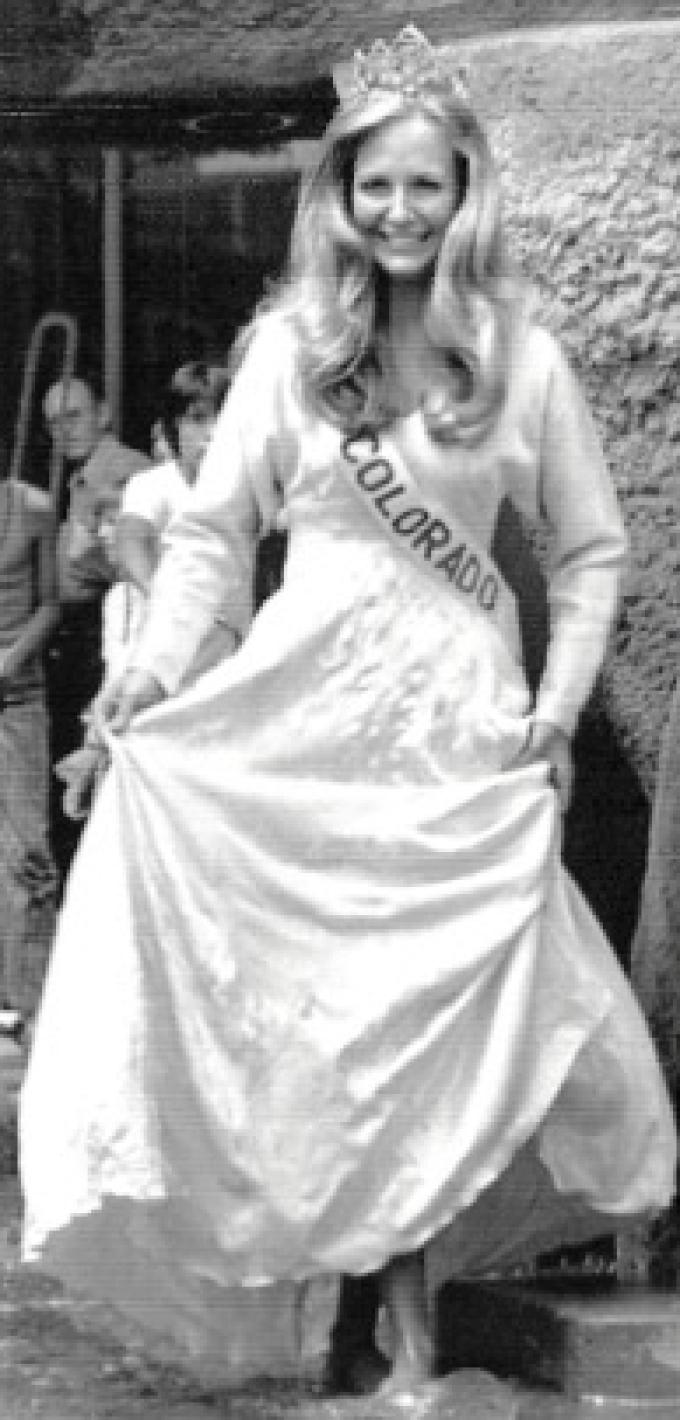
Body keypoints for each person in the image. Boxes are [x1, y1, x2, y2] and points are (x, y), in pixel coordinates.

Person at [20, 25, 676, 1396]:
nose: (397, 210)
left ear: (464, 195)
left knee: (427, 1028)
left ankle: (408, 1326)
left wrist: (555, 713)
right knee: (313, 1017)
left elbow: (593, 552)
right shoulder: (286, 352)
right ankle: (339, 1298)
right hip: (304, 714)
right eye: (373, 186)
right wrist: (145, 677)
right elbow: (210, 536)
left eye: (425, 186)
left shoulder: (521, 361)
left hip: (454, 724)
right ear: (338, 195)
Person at [55, 362, 233, 820]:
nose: (210, 433)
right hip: (159, 665)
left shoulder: (247, 490)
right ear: (174, 426)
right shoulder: (152, 485)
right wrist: (170, 602)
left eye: (221, 417)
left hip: (223, 675)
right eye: (195, 419)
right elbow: (134, 537)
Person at [41, 373, 150, 873]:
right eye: (52, 424)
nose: (63, 431)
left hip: (112, 637)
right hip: (80, 635)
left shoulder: (127, 475)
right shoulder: (81, 478)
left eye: (74, 417)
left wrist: (89, 559)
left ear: (104, 414)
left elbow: (140, 566)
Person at [0, 473, 59, 1052]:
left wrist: (11, 660)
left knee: (26, 853)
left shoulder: (32, 506)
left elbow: (50, 602)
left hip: (15, 699)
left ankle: (29, 1005)